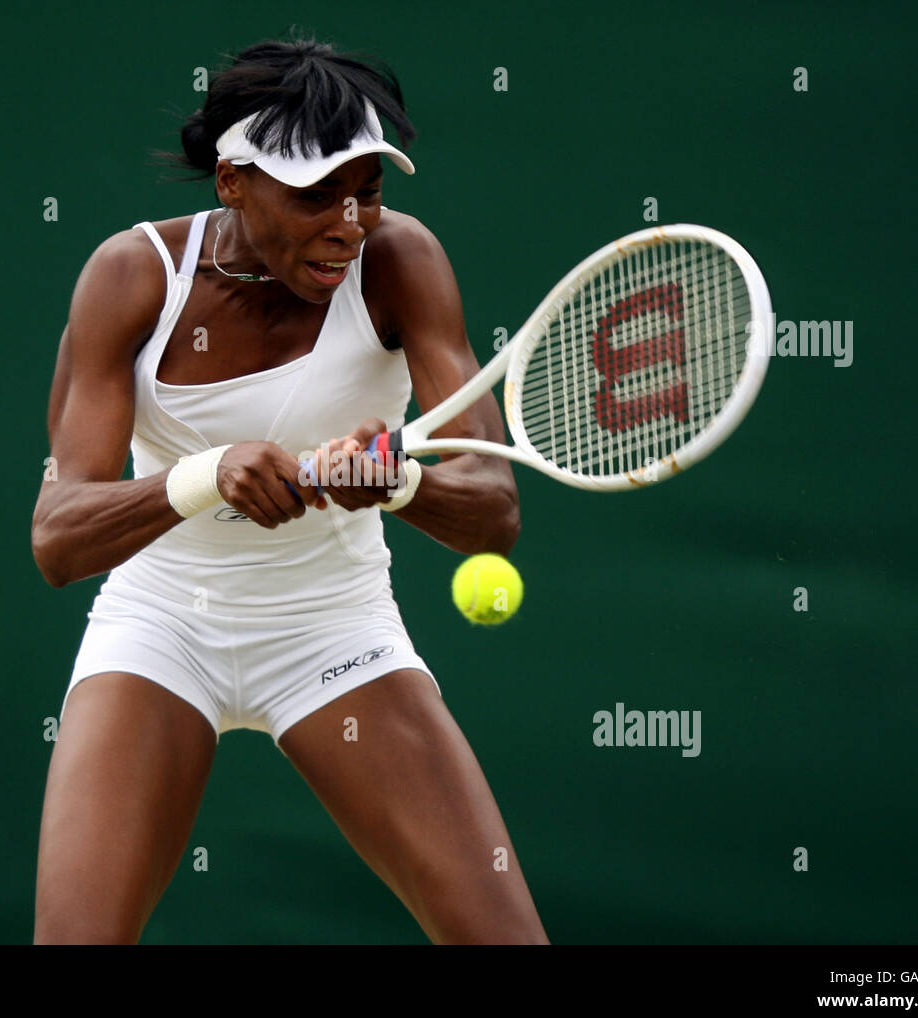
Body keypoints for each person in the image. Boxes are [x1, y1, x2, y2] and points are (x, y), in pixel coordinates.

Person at [30, 35, 548, 945]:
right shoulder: (130, 277)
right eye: (316, 196)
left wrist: (395, 486)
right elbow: (59, 539)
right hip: (162, 625)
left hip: (334, 627)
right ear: (233, 182)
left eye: (368, 191)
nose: (348, 222)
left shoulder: (401, 261)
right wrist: (201, 476)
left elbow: (492, 509)